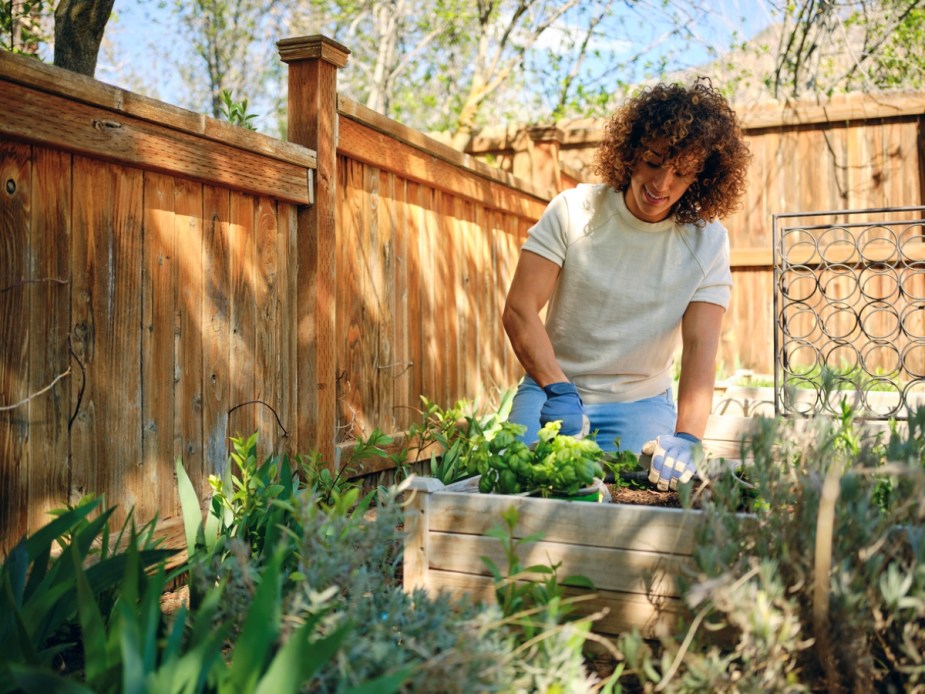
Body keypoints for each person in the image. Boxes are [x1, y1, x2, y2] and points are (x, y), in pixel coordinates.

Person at [502, 78, 751, 492]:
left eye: (681, 172)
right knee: (520, 485)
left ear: (701, 177)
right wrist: (558, 388)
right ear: (631, 153)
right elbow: (519, 310)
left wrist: (688, 437)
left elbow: (702, 347)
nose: (662, 184)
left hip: (641, 403)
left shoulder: (707, 241)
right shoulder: (573, 211)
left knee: (648, 493)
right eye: (653, 162)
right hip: (553, 391)